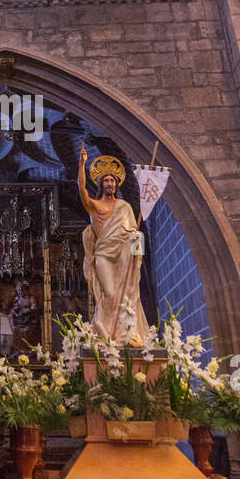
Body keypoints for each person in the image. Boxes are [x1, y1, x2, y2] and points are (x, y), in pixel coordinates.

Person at [78, 142, 148, 345]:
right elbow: (82, 190)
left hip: (124, 253)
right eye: (106, 180)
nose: (110, 183)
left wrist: (137, 243)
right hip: (104, 254)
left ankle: (125, 333)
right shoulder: (95, 206)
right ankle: (104, 334)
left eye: (112, 181)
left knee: (128, 293)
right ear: (101, 184)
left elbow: (133, 233)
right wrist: (82, 165)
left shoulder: (124, 206)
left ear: (116, 185)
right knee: (108, 294)